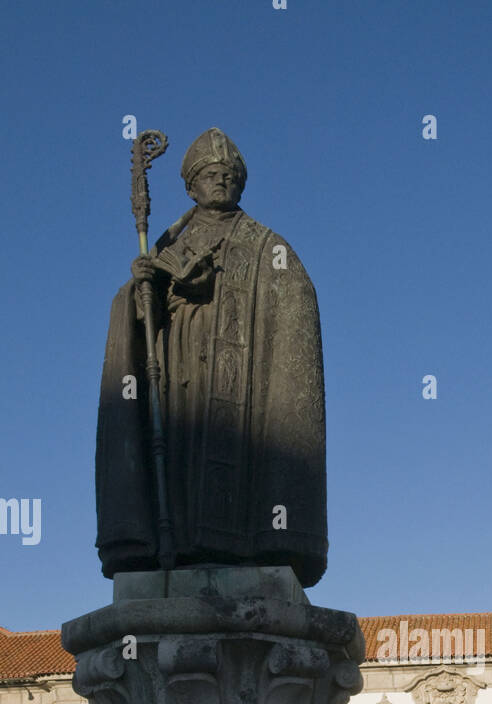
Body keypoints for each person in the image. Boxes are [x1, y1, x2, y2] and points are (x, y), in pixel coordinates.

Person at [95, 128, 327, 586]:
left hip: (242, 393)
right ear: (190, 186)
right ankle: (169, 544)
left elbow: (292, 325)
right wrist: (141, 288)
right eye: (209, 175)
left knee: (230, 465)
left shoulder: (268, 248)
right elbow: (138, 315)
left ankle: (245, 546)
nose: (220, 182)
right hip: (178, 379)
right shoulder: (166, 244)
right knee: (177, 459)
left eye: (228, 175)